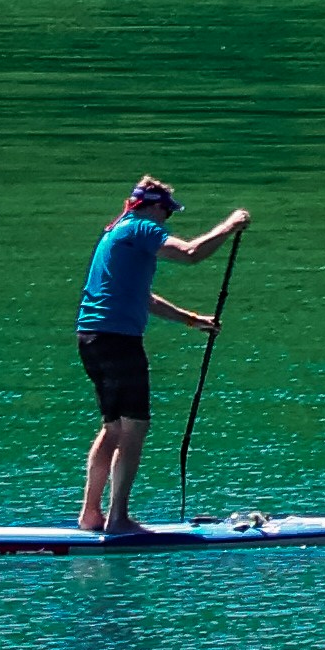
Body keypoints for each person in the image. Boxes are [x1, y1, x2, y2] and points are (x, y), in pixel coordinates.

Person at [76, 174, 251, 532]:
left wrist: (191, 320)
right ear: (154, 207)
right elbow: (190, 254)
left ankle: (91, 515)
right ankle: (118, 519)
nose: (167, 220)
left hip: (91, 337)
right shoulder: (140, 227)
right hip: (118, 341)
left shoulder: (116, 232)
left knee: (112, 429)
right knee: (134, 427)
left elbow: (141, 297)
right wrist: (230, 226)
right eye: (167, 213)